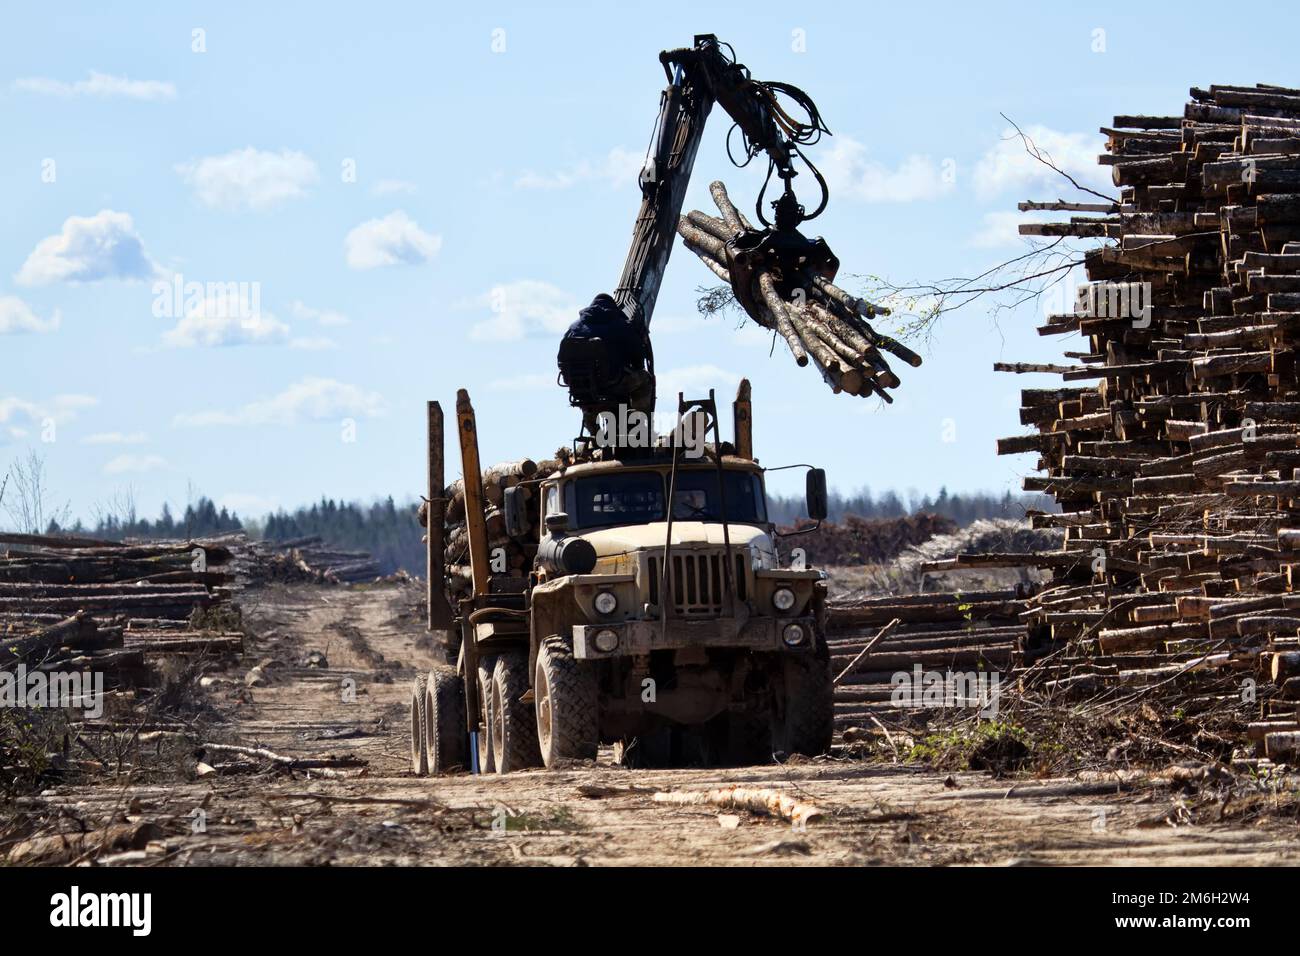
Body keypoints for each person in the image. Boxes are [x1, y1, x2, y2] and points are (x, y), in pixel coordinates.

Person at [558, 293, 654, 436]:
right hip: (613, 383)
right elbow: (638, 356)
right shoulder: (620, 325)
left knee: (589, 389)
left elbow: (561, 360)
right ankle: (639, 428)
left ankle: (594, 433)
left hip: (582, 387)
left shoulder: (573, 328)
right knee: (645, 380)